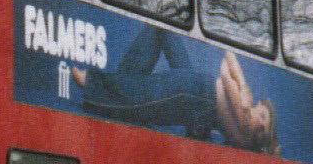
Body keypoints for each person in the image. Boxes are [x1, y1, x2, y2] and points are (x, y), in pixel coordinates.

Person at [76, 25, 279, 153]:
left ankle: (93, 84)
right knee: (160, 31)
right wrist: (243, 86)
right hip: (196, 93)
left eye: (263, 127)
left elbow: (226, 74)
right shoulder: (245, 108)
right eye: (262, 114)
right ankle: (116, 85)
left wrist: (242, 90)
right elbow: (229, 57)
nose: (259, 122)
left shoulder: (245, 125)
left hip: (194, 97)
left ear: (262, 139)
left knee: (143, 100)